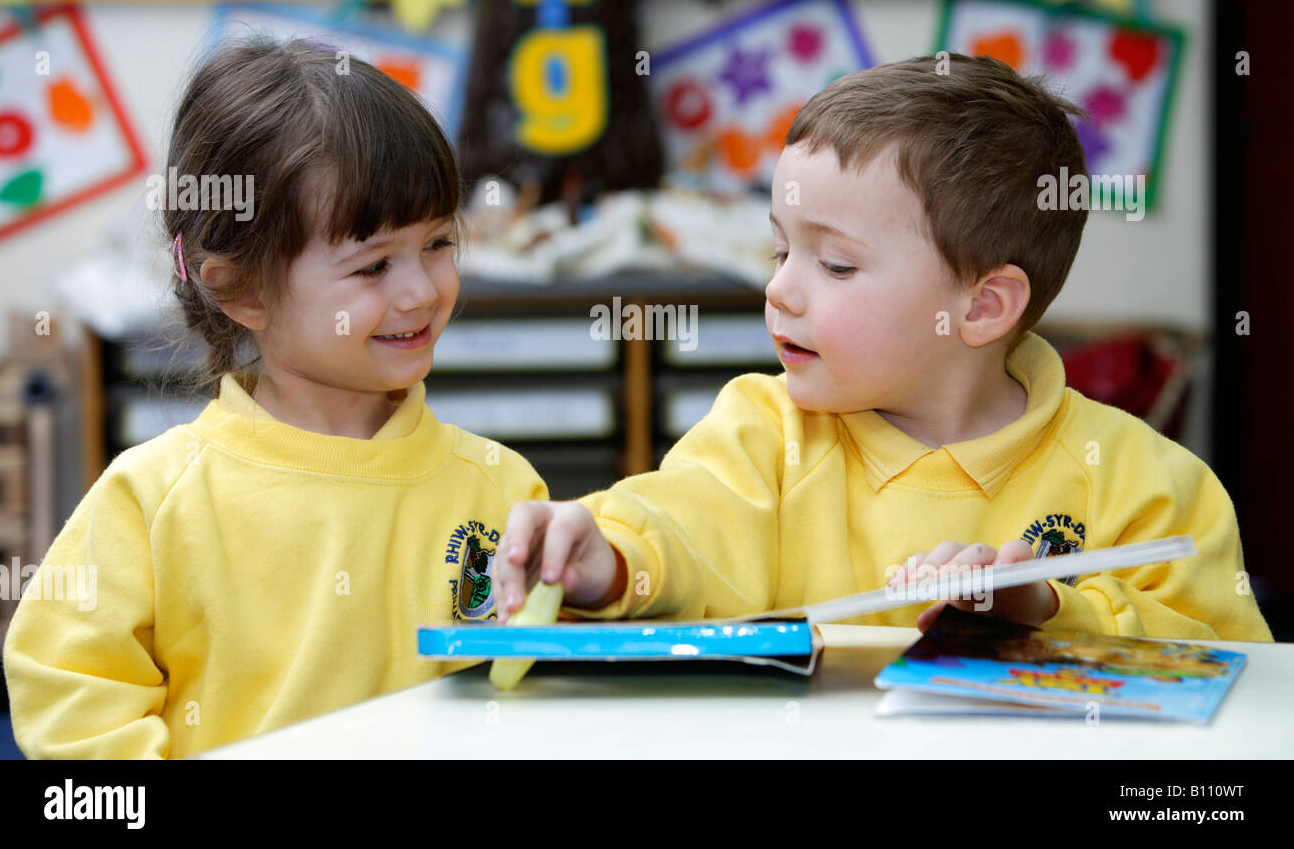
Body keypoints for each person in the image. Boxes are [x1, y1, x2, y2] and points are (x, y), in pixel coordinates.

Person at [495, 54, 1273, 643]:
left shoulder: (1149, 484)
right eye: (779, 254)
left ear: (983, 305)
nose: (781, 293)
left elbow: (1229, 670)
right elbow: (679, 524)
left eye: (834, 265)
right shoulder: (763, 433)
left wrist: (1046, 607)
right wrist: (610, 561)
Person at [4, 37, 553, 758]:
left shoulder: (502, 489)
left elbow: (534, 704)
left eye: (439, 244)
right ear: (242, 289)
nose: (421, 290)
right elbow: (69, 701)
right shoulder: (153, 500)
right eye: (373, 265)